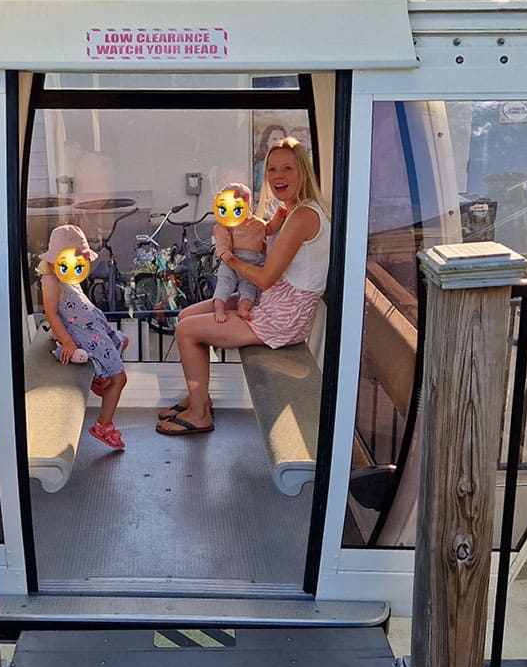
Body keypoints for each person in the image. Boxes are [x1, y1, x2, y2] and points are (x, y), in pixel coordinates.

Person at [156, 138, 329, 436]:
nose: (278, 176)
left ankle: (199, 415)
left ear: (303, 173)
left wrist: (228, 257)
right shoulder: (290, 212)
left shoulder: (303, 216)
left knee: (187, 331)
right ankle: (201, 397)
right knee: (186, 317)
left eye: (288, 168)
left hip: (284, 317)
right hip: (271, 300)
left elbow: (264, 278)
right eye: (272, 169)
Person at [39, 224, 130, 450]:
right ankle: (104, 425)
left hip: (95, 331)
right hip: (86, 338)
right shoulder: (50, 281)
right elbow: (51, 313)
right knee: (120, 379)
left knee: (123, 340)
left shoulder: (66, 278)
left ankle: (99, 378)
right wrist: (67, 342)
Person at [211, 182, 266, 322]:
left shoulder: (253, 223)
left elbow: (263, 236)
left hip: (252, 262)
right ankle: (219, 310)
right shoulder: (225, 225)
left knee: (249, 289)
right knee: (224, 284)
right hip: (231, 260)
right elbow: (222, 240)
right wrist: (224, 253)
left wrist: (266, 253)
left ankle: (243, 308)